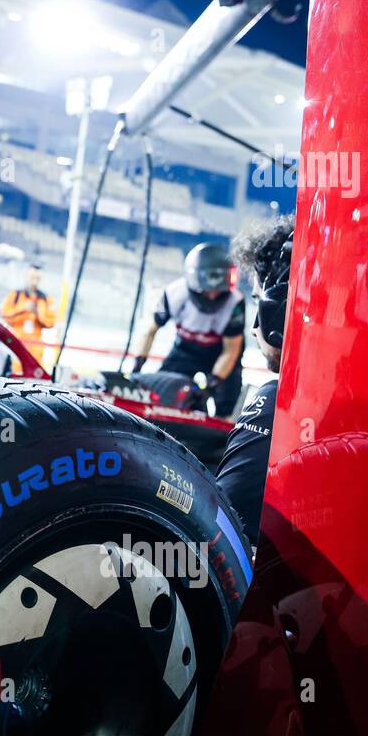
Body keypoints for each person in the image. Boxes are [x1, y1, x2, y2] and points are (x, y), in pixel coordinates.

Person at [215, 216, 293, 544]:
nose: (254, 328)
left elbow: (218, 536)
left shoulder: (281, 402)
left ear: (278, 311)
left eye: (259, 304)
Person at [131, 243, 246, 418]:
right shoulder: (173, 294)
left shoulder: (235, 303)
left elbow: (231, 351)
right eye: (208, 291)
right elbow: (149, 330)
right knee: (164, 389)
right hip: (185, 350)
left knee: (228, 397)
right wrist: (138, 362)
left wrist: (212, 383)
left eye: (218, 291)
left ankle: (223, 429)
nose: (213, 296)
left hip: (220, 352)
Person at [1, 264, 56, 370]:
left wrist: (38, 313)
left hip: (36, 348)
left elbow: (51, 322)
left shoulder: (46, 299)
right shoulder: (15, 296)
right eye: (32, 277)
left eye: (37, 278)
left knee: (33, 375)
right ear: (26, 276)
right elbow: (5, 316)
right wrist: (23, 308)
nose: (34, 281)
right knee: (13, 373)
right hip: (15, 343)